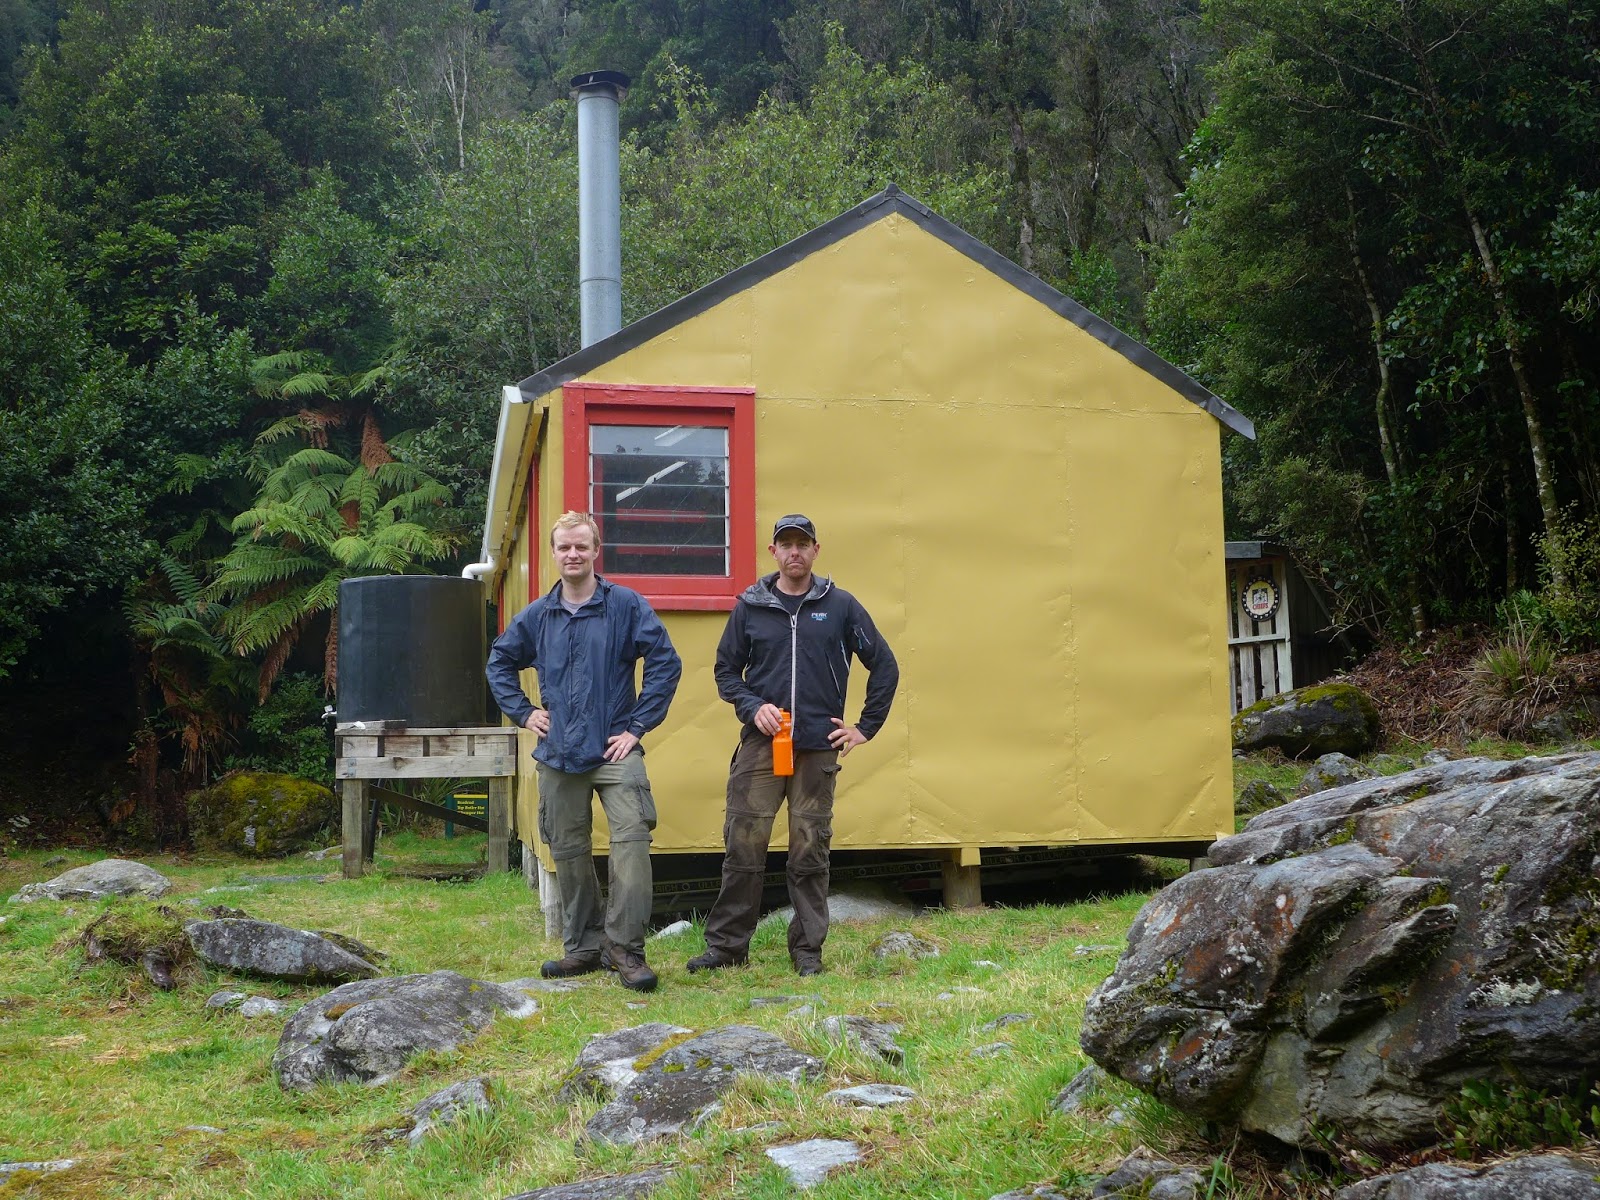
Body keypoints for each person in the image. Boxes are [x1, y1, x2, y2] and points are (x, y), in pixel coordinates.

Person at [688, 514, 899, 976]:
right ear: (774, 553)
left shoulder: (841, 606)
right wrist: (750, 705)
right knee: (743, 846)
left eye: (803, 544)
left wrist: (865, 727)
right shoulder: (750, 607)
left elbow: (884, 665)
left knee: (810, 850)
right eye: (786, 544)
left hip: (817, 750)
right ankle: (727, 948)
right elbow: (726, 672)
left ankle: (807, 952)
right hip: (762, 746)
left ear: (816, 550)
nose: (795, 552)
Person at [487, 511, 682, 992]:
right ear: (554, 554)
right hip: (559, 753)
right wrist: (526, 713)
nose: (572, 554)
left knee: (632, 844)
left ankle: (625, 948)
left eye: (581, 546)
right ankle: (584, 946)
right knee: (568, 848)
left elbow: (665, 662)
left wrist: (637, 727)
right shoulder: (538, 615)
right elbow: (500, 662)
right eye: (563, 547)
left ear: (597, 550)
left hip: (615, 748)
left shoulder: (626, 607)